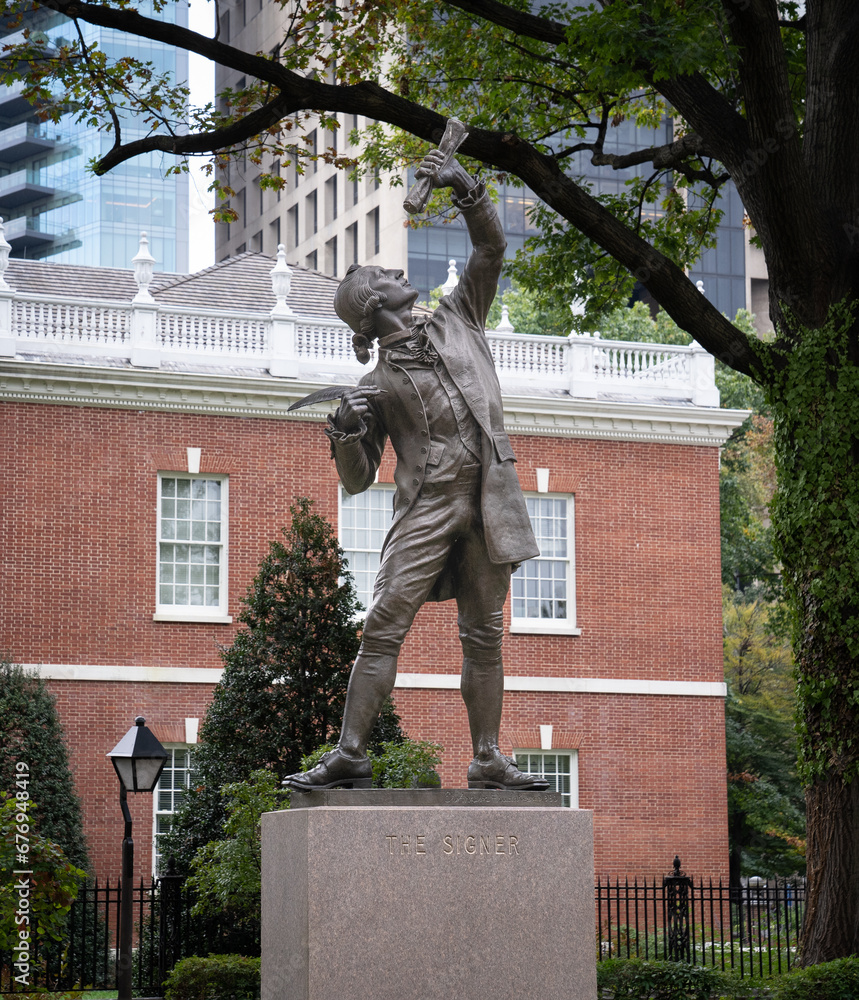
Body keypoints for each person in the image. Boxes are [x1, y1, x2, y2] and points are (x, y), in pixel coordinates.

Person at [282, 149, 548, 792]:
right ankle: (350, 751)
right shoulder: (373, 386)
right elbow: (354, 477)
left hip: (487, 498)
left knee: (484, 633)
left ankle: (488, 755)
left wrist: (467, 187)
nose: (401, 270)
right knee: (382, 624)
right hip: (426, 506)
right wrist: (346, 427)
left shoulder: (461, 320)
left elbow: (490, 252)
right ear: (375, 304)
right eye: (386, 272)